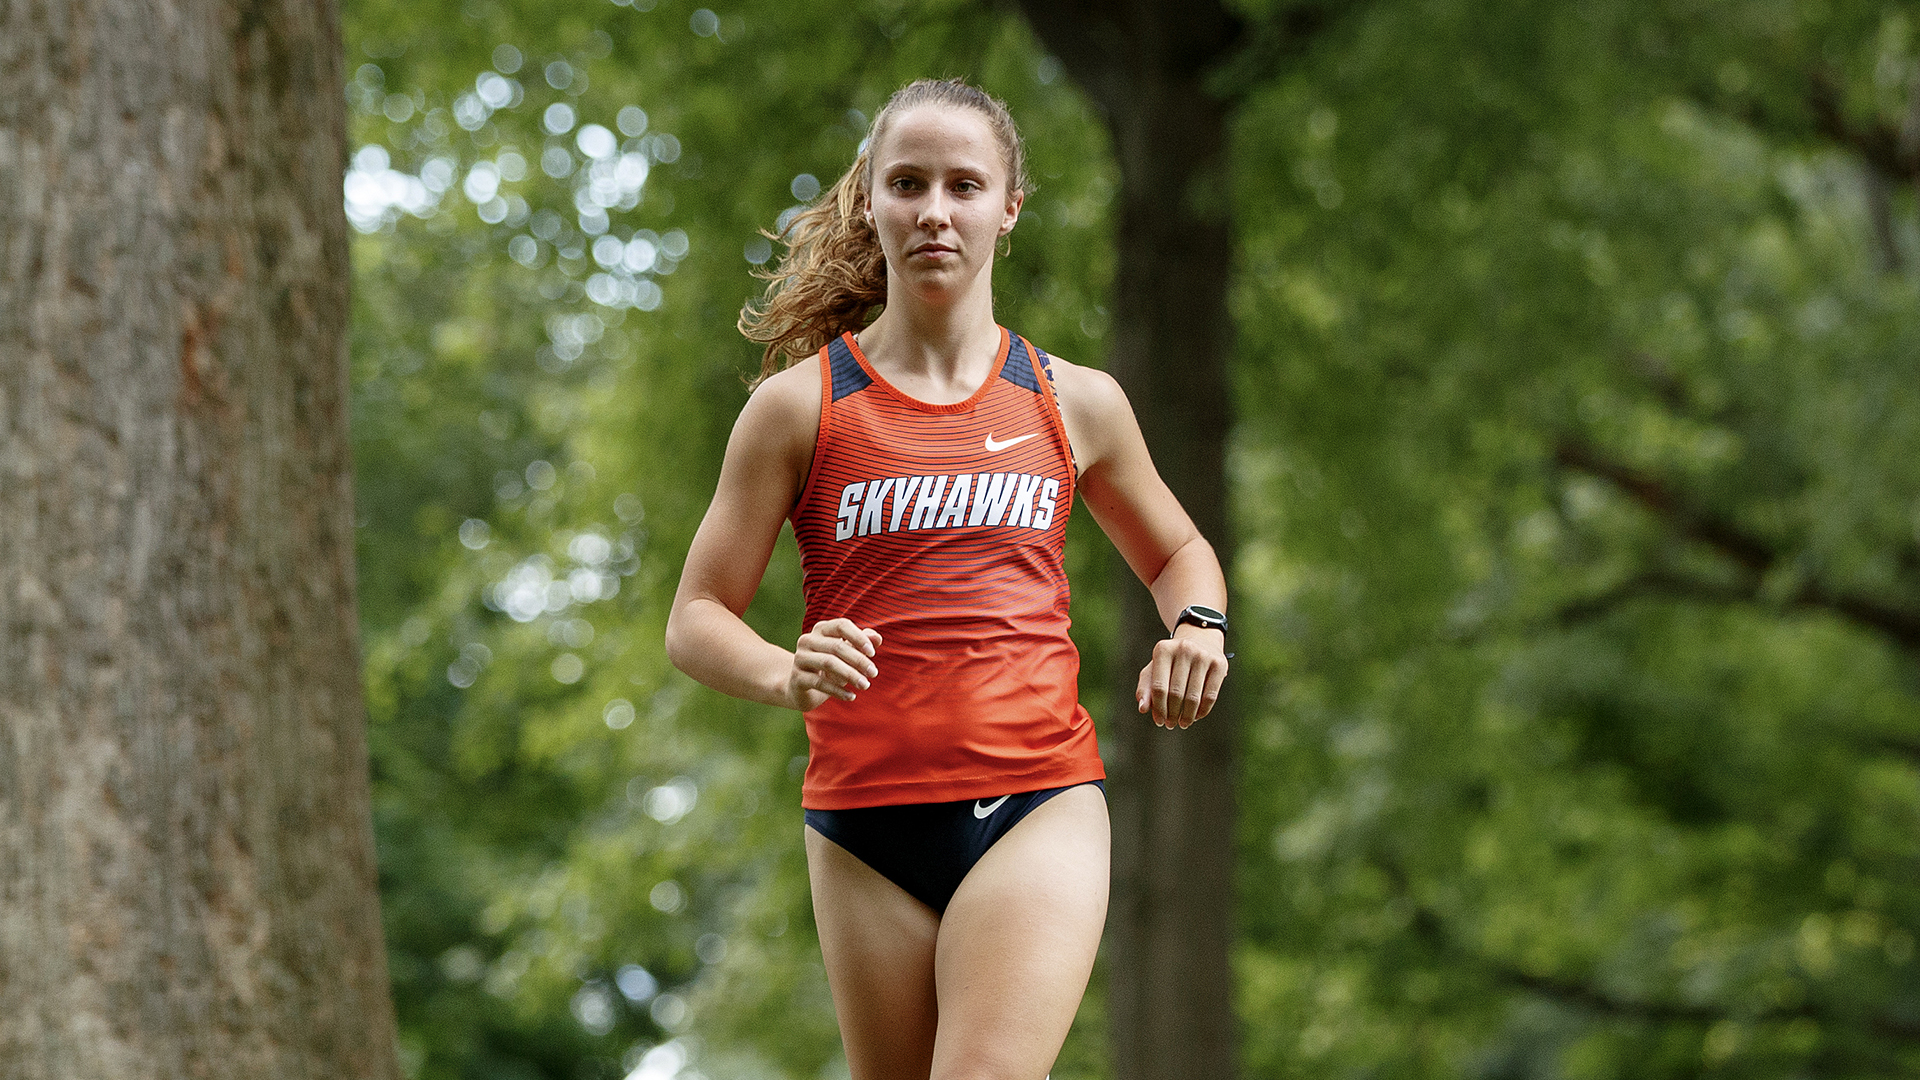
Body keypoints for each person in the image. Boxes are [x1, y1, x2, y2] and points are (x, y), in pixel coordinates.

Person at [665, 78, 1229, 1080]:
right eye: (909, 182)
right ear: (871, 202)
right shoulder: (801, 411)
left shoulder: (1074, 403)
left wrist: (1197, 628)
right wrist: (783, 671)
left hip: (1036, 797)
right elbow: (698, 615)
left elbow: (1179, 553)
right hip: (862, 821)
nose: (935, 209)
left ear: (1008, 207)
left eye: (965, 185)